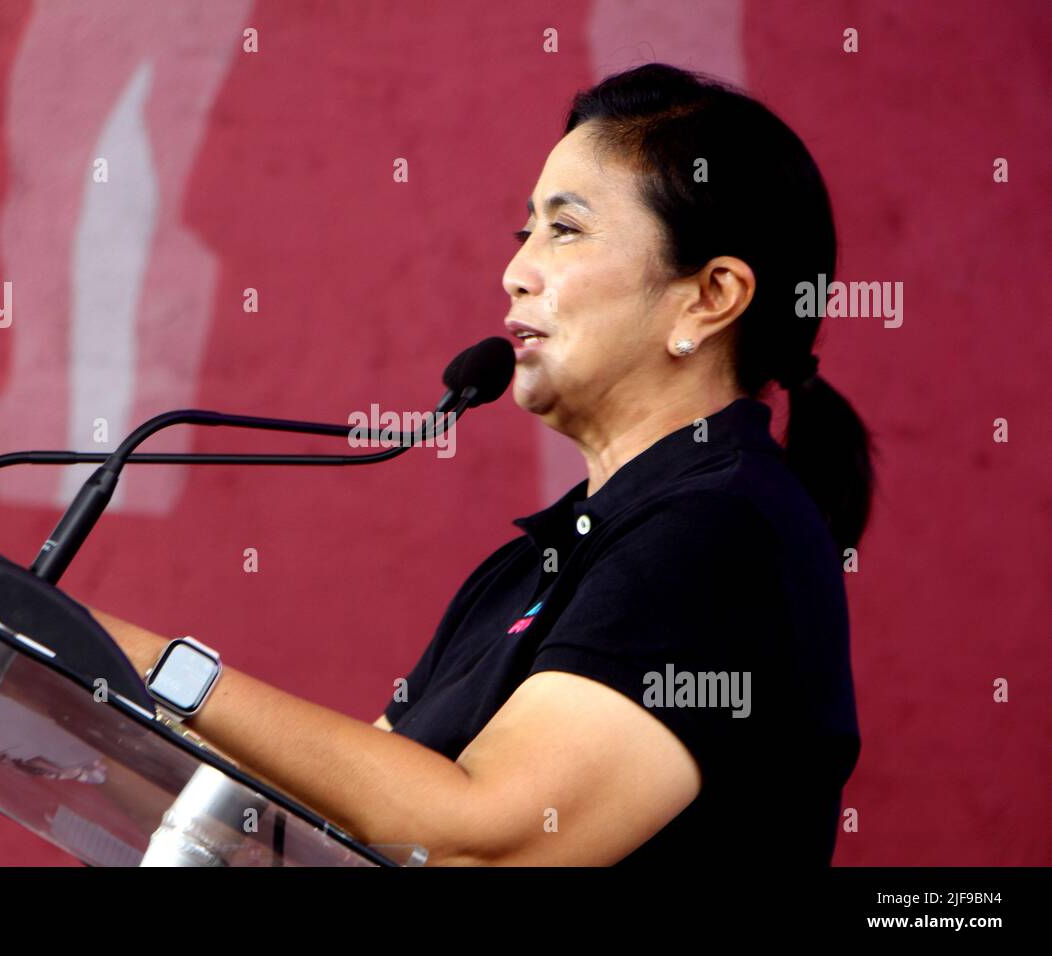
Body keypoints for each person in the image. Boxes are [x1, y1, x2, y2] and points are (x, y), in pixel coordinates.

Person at [94, 62, 874, 867]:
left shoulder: (722, 534)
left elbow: (483, 845)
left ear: (710, 297)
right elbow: (315, 827)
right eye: (523, 232)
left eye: (564, 230)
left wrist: (161, 670)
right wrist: (70, 687)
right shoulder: (534, 563)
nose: (515, 272)